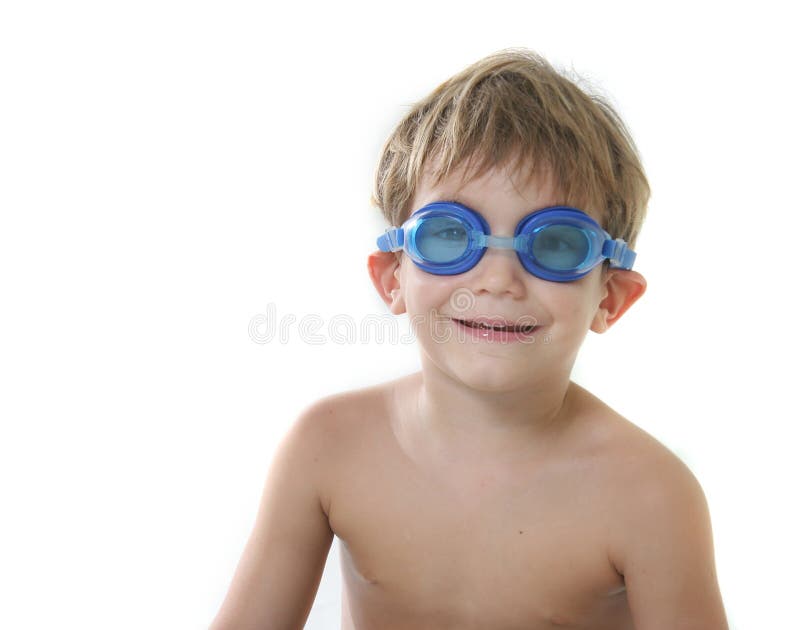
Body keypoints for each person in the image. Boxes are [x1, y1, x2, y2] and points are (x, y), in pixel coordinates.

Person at [209, 49, 729, 629]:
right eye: (451, 236)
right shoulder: (328, 449)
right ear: (392, 279)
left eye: (554, 243)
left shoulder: (650, 496)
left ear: (610, 297)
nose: (498, 281)